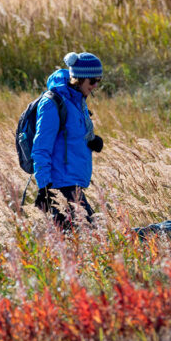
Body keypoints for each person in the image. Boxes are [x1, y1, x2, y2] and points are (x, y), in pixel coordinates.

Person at [31, 51, 105, 230]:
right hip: (60, 184)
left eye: (99, 81)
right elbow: (41, 148)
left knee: (74, 241)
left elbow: (70, 135)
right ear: (79, 79)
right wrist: (44, 188)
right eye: (92, 81)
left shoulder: (78, 101)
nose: (95, 86)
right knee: (90, 236)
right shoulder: (52, 103)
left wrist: (92, 140)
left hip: (73, 182)